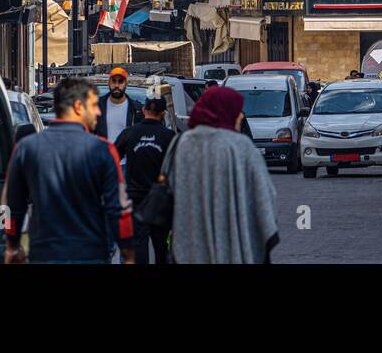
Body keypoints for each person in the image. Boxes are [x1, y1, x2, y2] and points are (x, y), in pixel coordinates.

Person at [3, 77, 135, 264]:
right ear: (79, 106)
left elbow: (11, 206)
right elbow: (119, 209)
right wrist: (128, 252)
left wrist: (11, 245)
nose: (98, 112)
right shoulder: (103, 150)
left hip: (44, 254)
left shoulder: (27, 148)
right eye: (94, 105)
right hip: (91, 254)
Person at [168, 86, 278, 264]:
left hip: (192, 245)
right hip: (236, 248)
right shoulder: (242, 146)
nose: (241, 116)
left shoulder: (182, 144)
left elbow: (172, 193)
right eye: (236, 111)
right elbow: (265, 200)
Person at [115, 97, 175, 264]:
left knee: (138, 245)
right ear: (163, 114)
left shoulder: (130, 133)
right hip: (161, 199)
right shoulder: (169, 136)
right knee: (160, 245)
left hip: (135, 198)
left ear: (144, 110)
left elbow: (111, 158)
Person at [91, 67, 141, 143]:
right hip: (104, 153)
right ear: (109, 83)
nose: (116, 85)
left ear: (126, 84)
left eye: (120, 81)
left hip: (125, 154)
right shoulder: (97, 106)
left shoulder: (136, 109)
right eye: (114, 81)